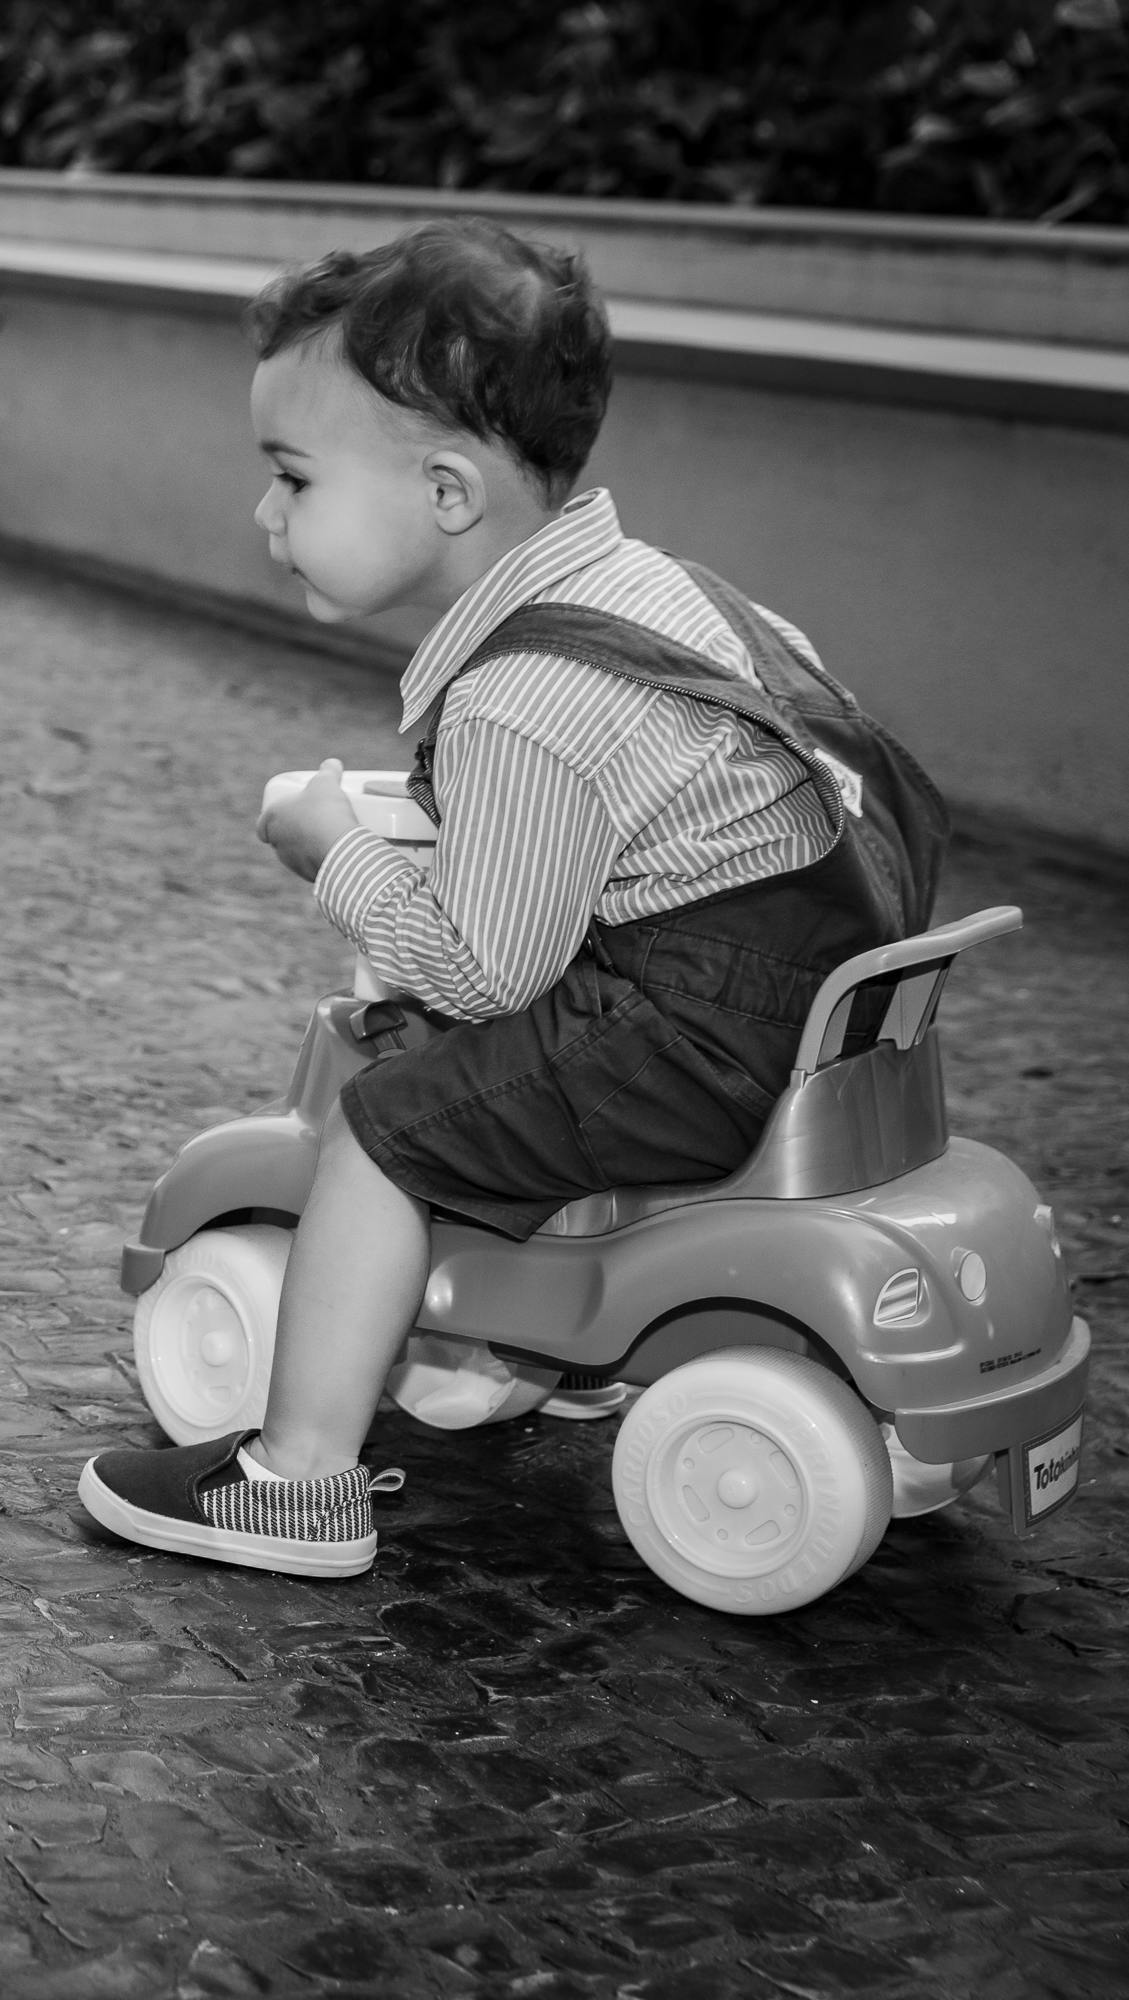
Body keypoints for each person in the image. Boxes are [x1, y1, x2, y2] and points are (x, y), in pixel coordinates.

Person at [79, 219, 941, 1577]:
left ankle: (297, 1478)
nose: (264, 516)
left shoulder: (522, 697)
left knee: (388, 1123)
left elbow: (481, 969)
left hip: (693, 1016)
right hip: (785, 972)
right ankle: (523, 1339)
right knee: (488, 1074)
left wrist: (331, 852)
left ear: (443, 493)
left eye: (292, 478)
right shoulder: (655, 594)